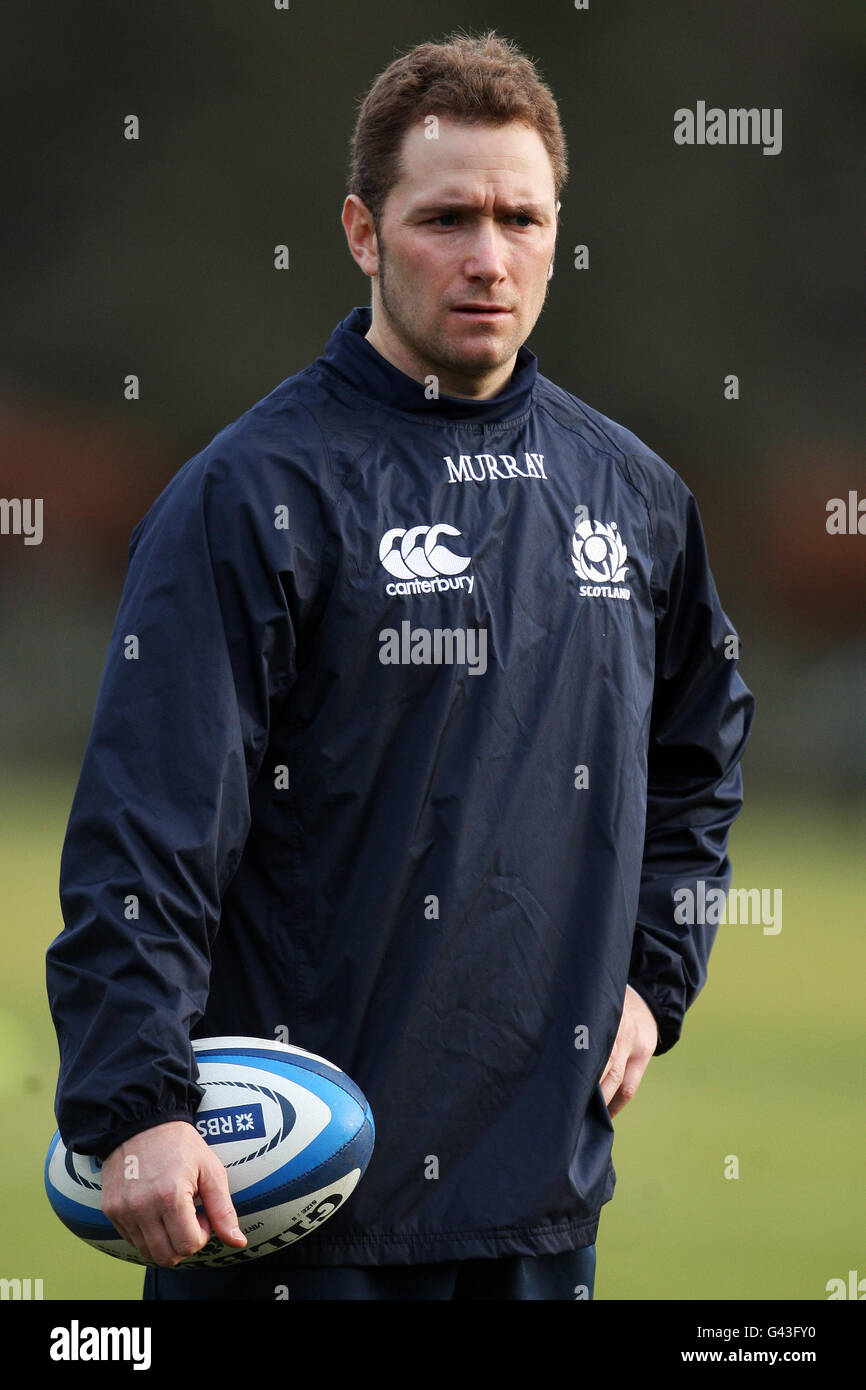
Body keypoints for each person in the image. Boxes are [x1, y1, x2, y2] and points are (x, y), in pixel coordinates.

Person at [46, 30, 754, 1302]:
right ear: (363, 234)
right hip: (279, 1215)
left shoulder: (632, 495)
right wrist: (133, 1102)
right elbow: (147, 827)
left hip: (538, 1209)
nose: (488, 257)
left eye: (520, 218)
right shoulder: (251, 495)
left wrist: (655, 970)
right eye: (446, 219)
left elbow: (702, 753)